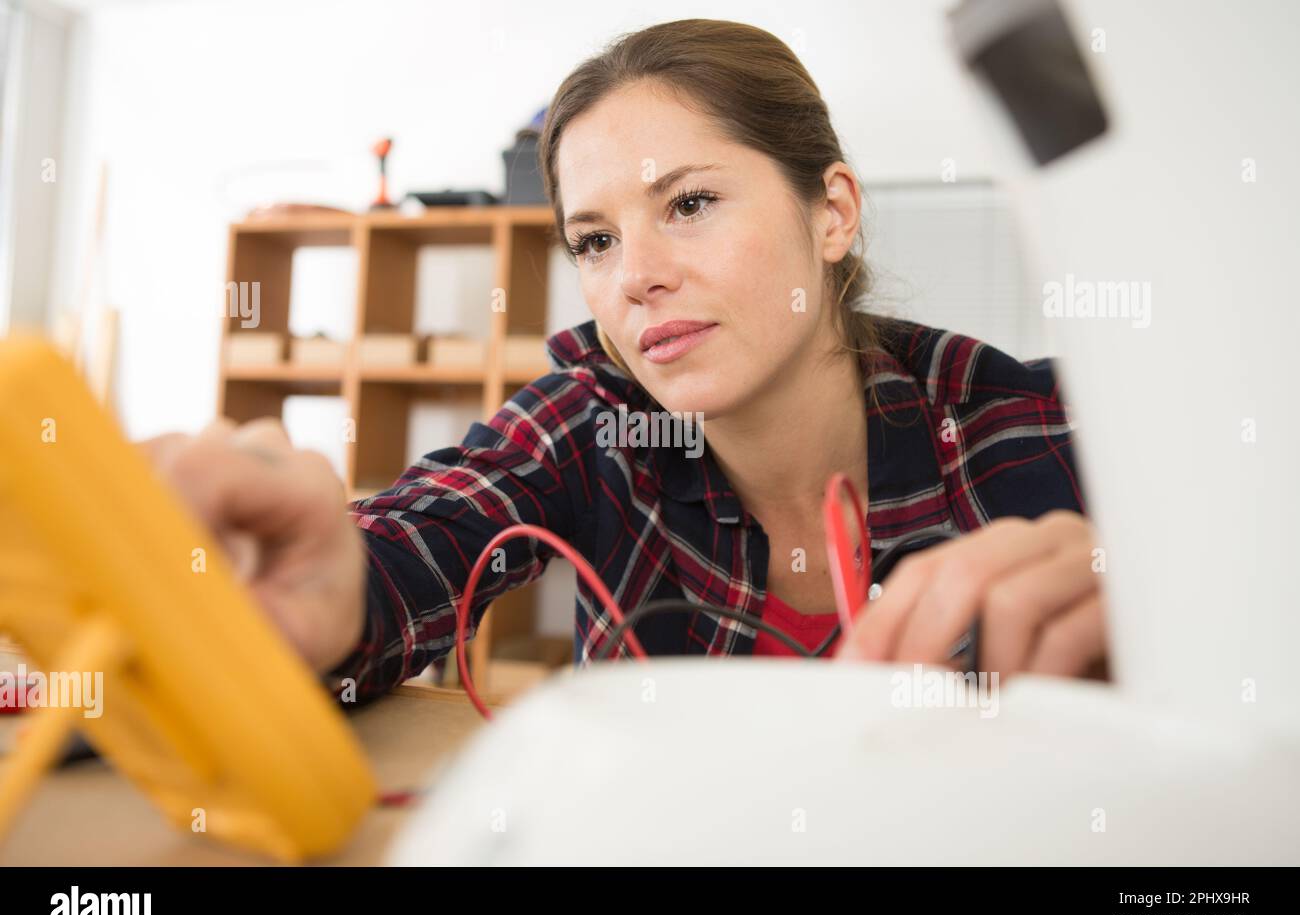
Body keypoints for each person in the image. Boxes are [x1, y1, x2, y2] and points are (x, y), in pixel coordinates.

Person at [142, 19, 1106, 706]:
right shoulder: (596, 421)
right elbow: (427, 533)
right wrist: (332, 589)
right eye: (594, 242)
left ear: (833, 212)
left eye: (689, 204)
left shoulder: (1057, 432)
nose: (636, 278)